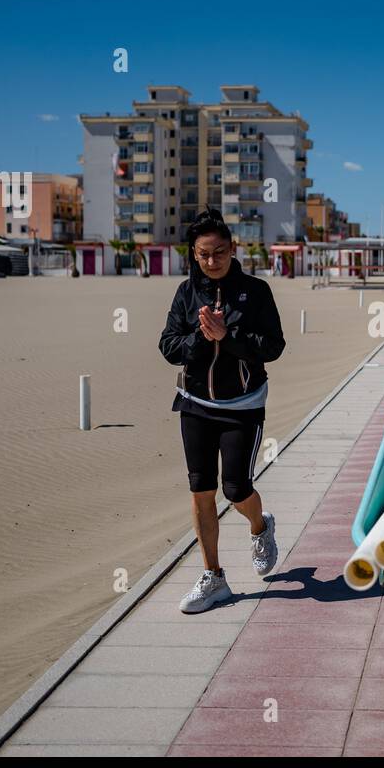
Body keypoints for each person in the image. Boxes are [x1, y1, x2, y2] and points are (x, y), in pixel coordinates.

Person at [159, 210, 286, 613]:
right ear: (193, 255)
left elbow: (273, 346)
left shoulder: (256, 291)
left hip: (242, 406)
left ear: (233, 249)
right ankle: (214, 577)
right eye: (203, 254)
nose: (212, 261)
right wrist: (200, 337)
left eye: (219, 252)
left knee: (235, 488)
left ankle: (260, 526)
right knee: (201, 491)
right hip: (195, 405)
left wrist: (227, 338)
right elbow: (168, 346)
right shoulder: (185, 293)